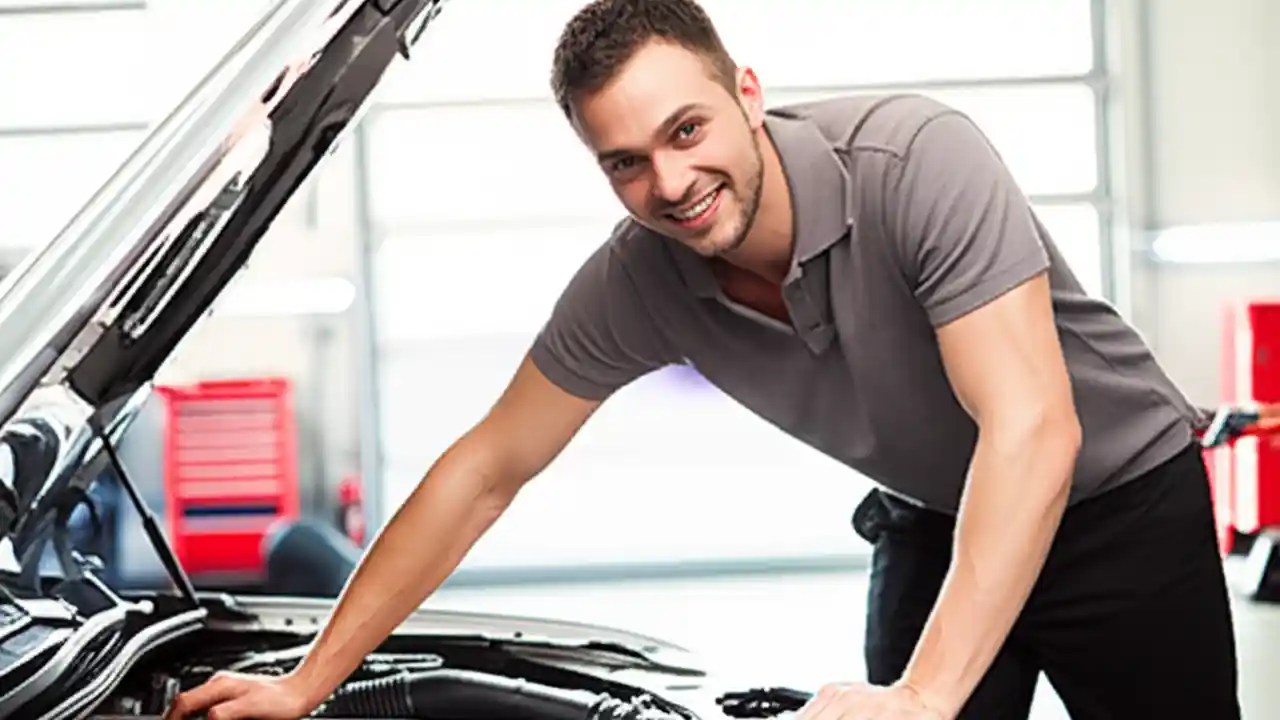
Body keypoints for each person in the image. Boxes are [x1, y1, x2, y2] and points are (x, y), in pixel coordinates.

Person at [164, 1, 1243, 718]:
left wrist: (922, 698)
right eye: (625, 162)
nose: (669, 184)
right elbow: (486, 469)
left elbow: (1033, 430)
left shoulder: (915, 162)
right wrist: (309, 680)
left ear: (747, 94)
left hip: (1117, 503)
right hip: (932, 512)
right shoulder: (638, 280)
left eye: (686, 131)